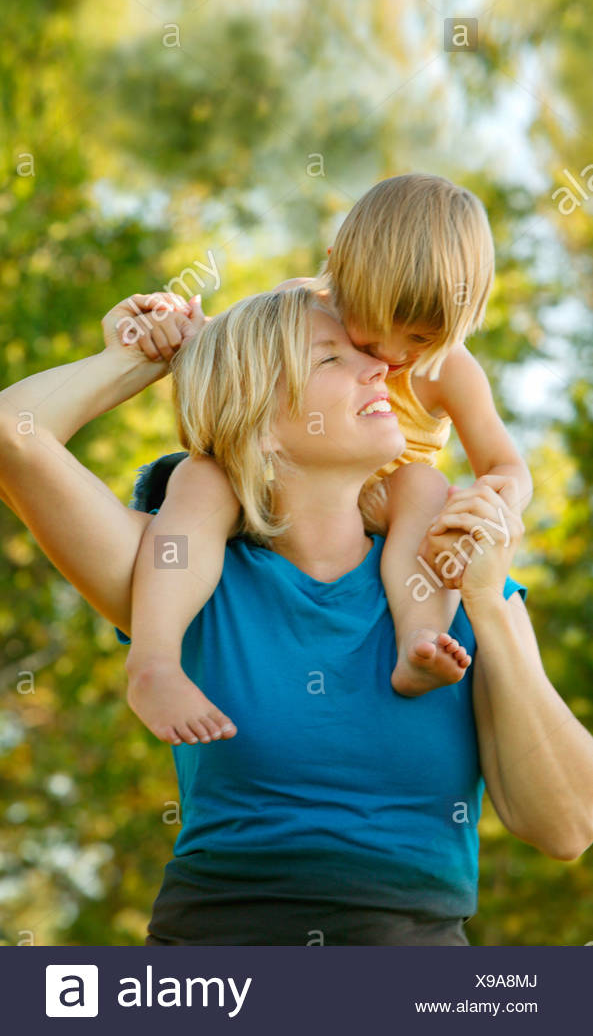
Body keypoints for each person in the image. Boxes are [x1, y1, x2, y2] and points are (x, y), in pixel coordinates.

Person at [1, 287, 592, 948]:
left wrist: (488, 603)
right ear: (258, 412)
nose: (382, 370)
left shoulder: (453, 575)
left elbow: (566, 826)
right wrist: (141, 357)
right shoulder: (178, 570)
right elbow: (14, 436)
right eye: (331, 360)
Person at [123, 175, 533, 747]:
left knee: (424, 483)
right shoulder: (300, 305)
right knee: (202, 477)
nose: (390, 357)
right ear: (336, 267)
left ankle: (417, 643)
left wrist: (491, 505)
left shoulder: (449, 368)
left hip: (377, 505)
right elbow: (232, 345)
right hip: (279, 485)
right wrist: (173, 321)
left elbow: (506, 465)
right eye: (368, 332)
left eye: (417, 338)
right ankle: (153, 662)